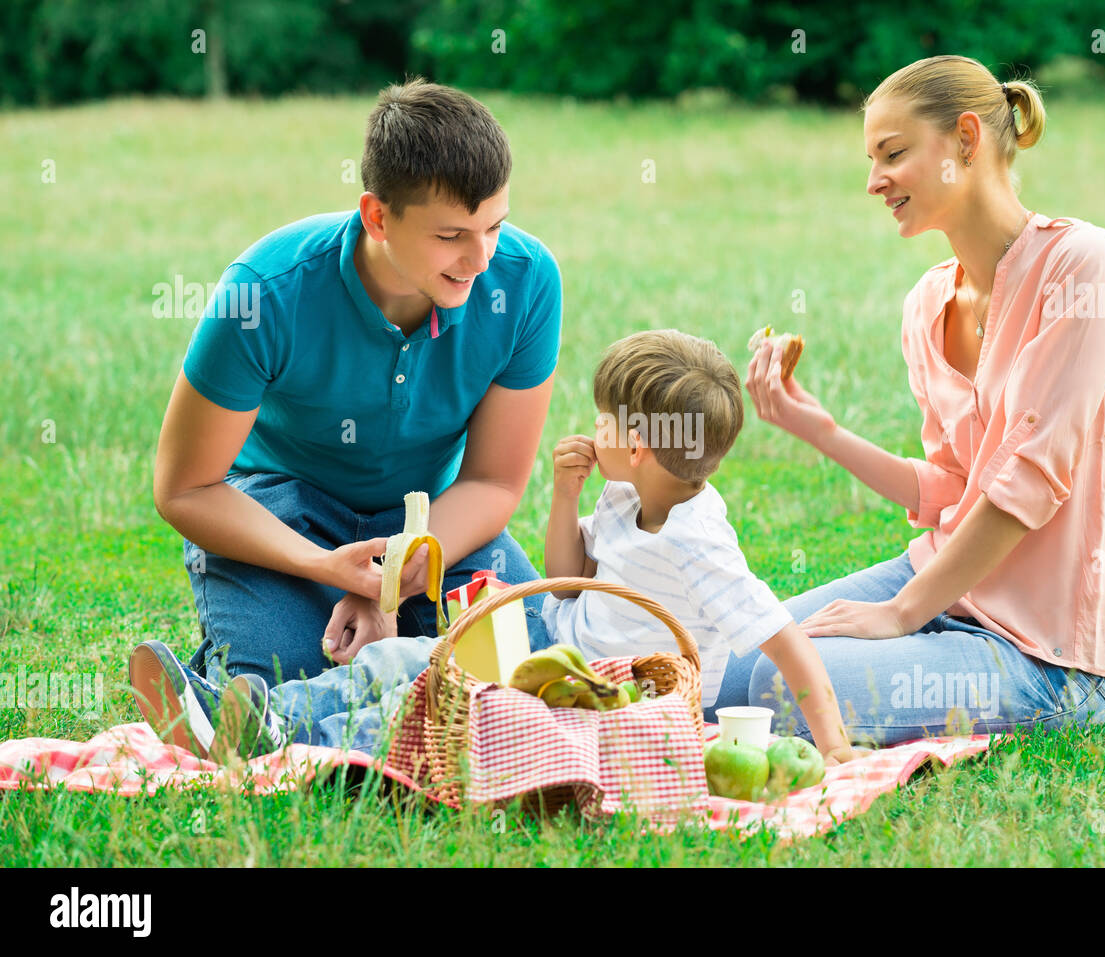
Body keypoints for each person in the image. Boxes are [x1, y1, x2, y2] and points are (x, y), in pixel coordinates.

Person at [131, 332, 857, 765]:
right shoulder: (630, 494)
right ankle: (253, 714)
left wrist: (835, 753)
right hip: (555, 642)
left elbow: (786, 641)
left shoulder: (702, 544)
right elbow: (568, 582)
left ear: (636, 446)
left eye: (605, 420)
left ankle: (279, 738)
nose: (593, 427)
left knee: (425, 690)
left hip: (603, 697)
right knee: (407, 660)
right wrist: (568, 494)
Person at [719, 55, 1105, 746]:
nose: (873, 181)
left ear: (964, 139)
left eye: (892, 154)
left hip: (1045, 655)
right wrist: (822, 429)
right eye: (870, 159)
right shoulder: (927, 302)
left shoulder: (1085, 269)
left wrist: (900, 612)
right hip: (942, 581)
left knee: (780, 690)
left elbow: (1030, 481)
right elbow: (953, 485)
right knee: (736, 660)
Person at [151, 78, 561, 688]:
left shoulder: (526, 282)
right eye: (450, 236)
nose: (480, 260)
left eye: (495, 227)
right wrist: (328, 568)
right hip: (278, 511)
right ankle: (222, 683)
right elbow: (185, 488)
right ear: (377, 216)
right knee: (281, 679)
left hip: (431, 524)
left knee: (530, 668)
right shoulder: (261, 292)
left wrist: (390, 578)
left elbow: (492, 481)